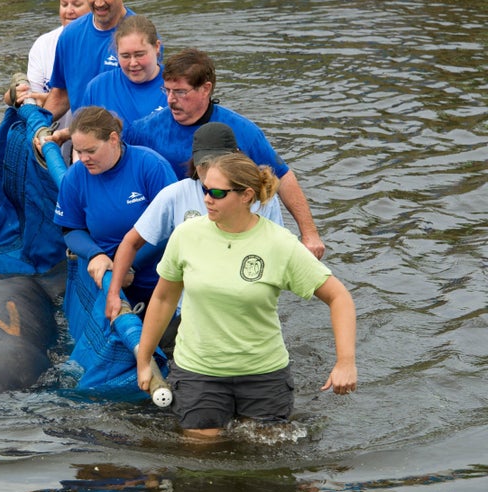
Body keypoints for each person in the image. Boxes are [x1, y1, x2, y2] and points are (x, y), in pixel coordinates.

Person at [135, 152, 357, 440]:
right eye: (204, 189)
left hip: (263, 374)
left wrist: (345, 362)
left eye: (217, 192)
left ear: (246, 195)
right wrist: (144, 359)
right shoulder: (186, 235)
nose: (206, 199)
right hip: (198, 370)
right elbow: (163, 299)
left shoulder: (279, 243)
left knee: (267, 460)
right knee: (199, 453)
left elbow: (339, 297)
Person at [120, 47, 326, 259]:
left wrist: (309, 233)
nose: (171, 100)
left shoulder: (244, 131)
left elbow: (282, 176)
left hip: (223, 230)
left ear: (205, 89)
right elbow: (118, 168)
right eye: (167, 91)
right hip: (162, 230)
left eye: (181, 92)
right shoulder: (144, 130)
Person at [105, 122, 286, 354]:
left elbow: (277, 256)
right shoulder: (175, 195)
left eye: (216, 163)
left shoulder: (262, 201)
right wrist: (114, 292)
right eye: (203, 164)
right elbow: (131, 242)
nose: (208, 170)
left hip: (244, 311)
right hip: (188, 312)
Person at [53, 106, 177, 315]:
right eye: (78, 151)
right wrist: (95, 255)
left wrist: (130, 267)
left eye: (91, 151)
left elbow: (174, 228)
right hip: (107, 280)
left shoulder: (151, 166)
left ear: (113, 139)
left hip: (160, 284)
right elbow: (70, 229)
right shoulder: (74, 177)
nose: (83, 159)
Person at [42, 0, 135, 123]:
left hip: (124, 143)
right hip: (81, 143)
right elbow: (62, 94)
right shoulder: (69, 35)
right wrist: (37, 126)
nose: (99, 3)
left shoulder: (141, 38)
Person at [3, 0, 89, 130]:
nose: (69, 11)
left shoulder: (101, 44)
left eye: (76, 4)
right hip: (50, 135)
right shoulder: (43, 44)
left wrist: (51, 99)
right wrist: (13, 96)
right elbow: (33, 97)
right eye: (64, 4)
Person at [81, 13, 167, 126]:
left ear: (157, 47)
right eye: (125, 56)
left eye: (139, 54)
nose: (133, 63)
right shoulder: (97, 88)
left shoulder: (177, 85)